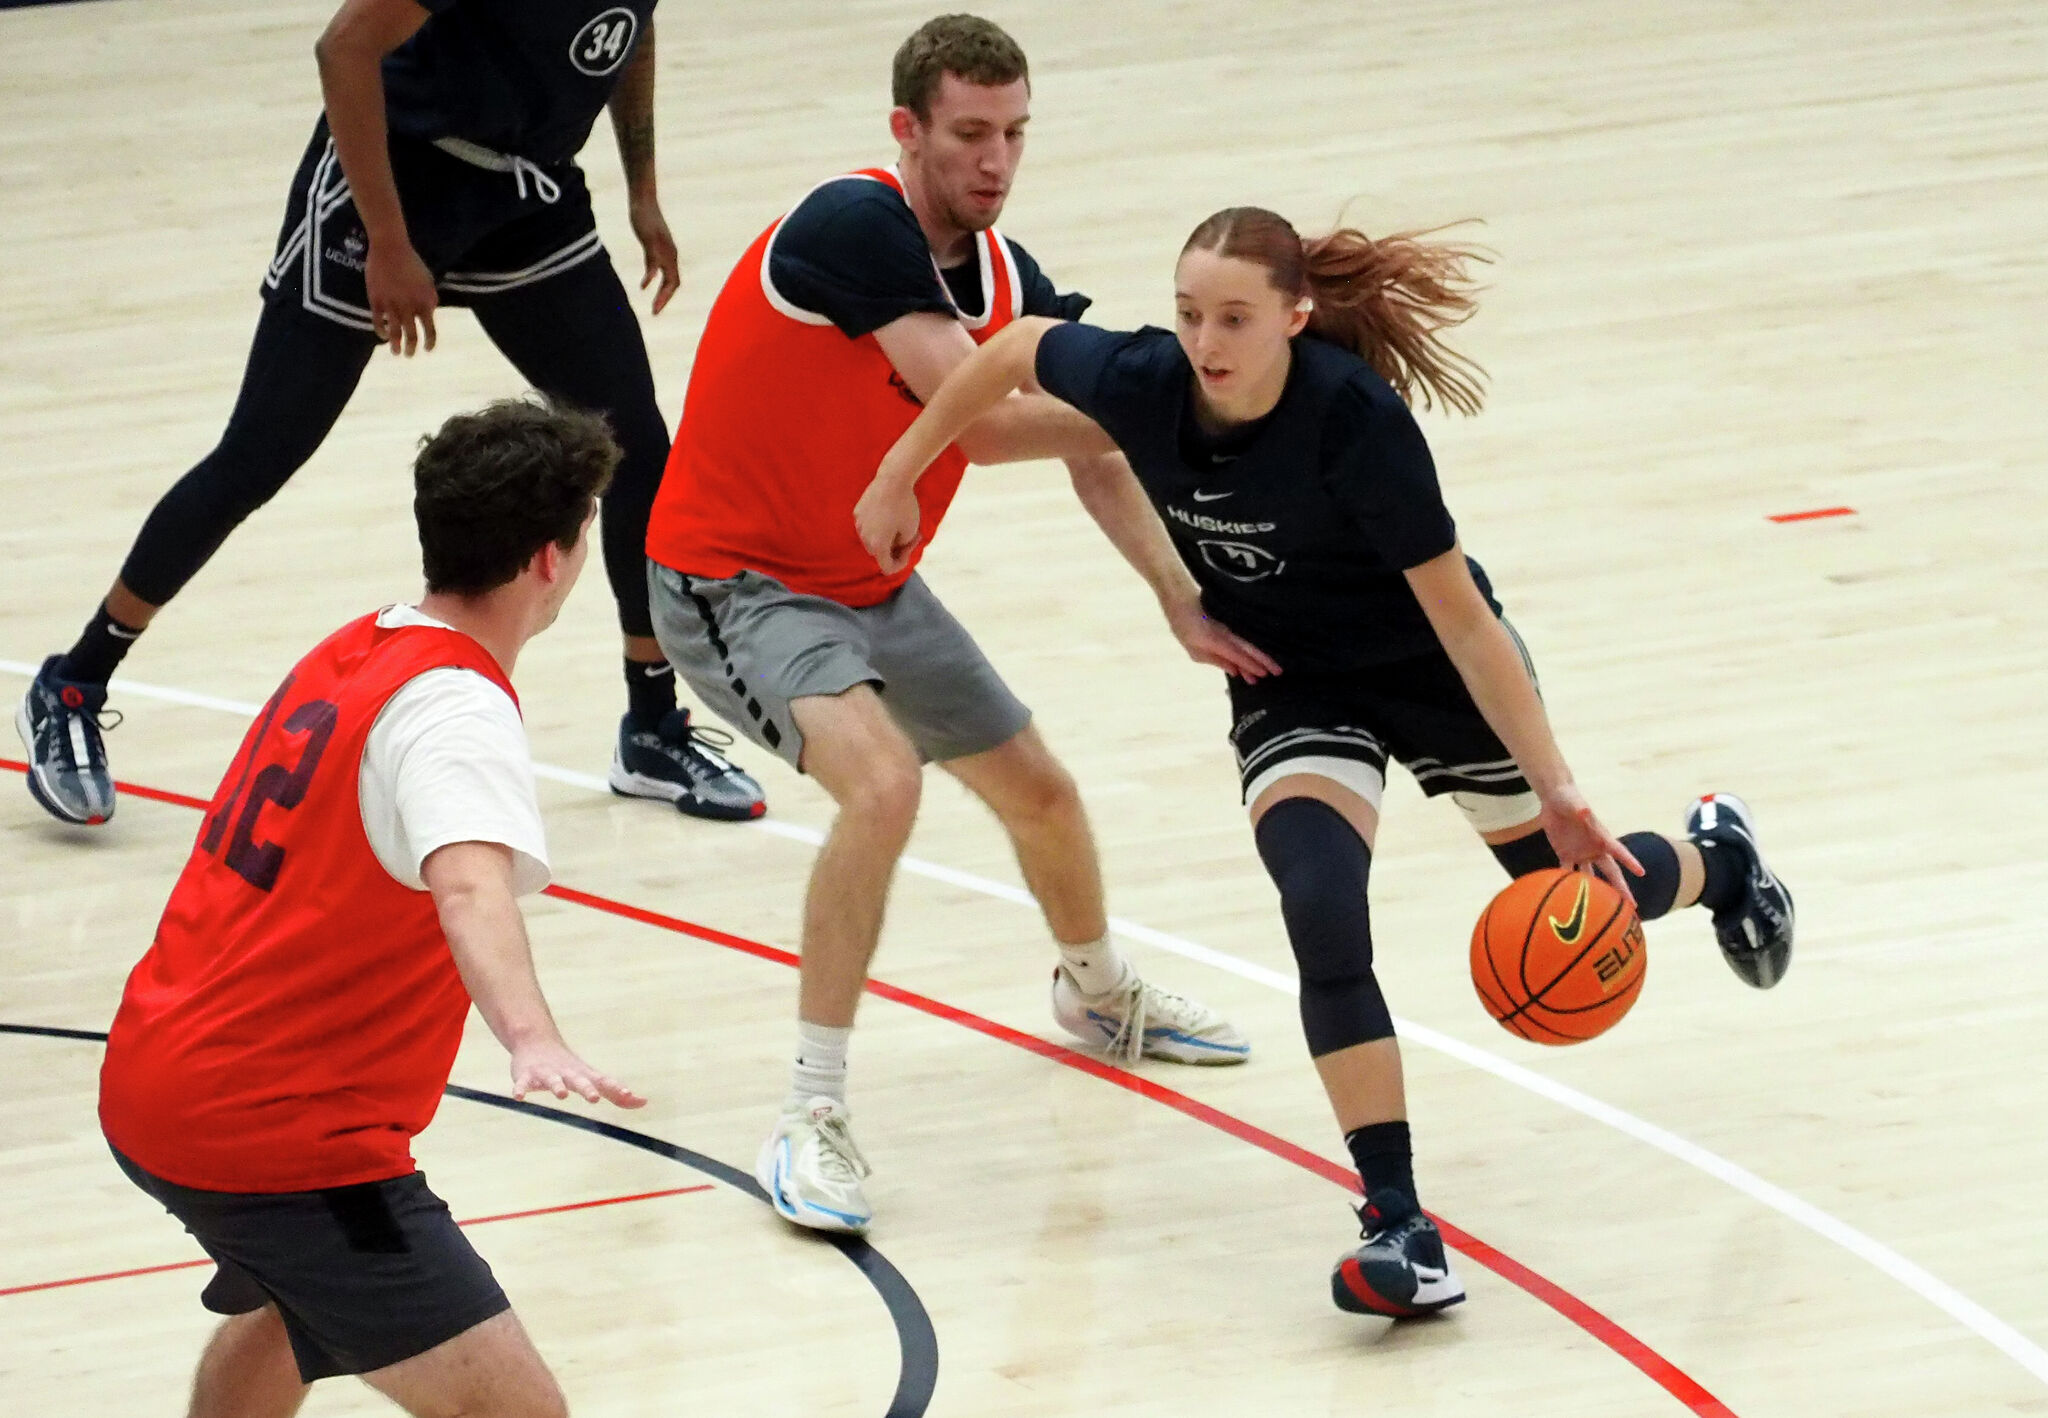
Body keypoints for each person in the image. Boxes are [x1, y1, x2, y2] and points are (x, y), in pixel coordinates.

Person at [862, 205, 1797, 1317]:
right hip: (1293, 678)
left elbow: (1461, 620)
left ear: (1295, 319)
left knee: (1565, 896)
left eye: (1235, 318)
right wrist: (899, 471)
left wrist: (1556, 786)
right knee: (1318, 901)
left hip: (1430, 672)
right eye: (1189, 313)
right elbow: (1013, 350)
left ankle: (1720, 862)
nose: (1205, 340)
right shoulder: (1143, 378)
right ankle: (1398, 1220)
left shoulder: (1354, 423)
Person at [640, 14, 1249, 1236]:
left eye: (1015, 134)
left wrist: (1174, 592)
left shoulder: (1010, 276)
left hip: (868, 579)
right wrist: (1178, 403)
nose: (995, 160)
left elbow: (1092, 458)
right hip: (734, 582)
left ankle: (1096, 992)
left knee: (1041, 791)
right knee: (882, 785)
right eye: (969, 133)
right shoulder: (848, 226)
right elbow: (968, 416)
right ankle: (809, 1111)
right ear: (906, 130)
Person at [15, 0, 762, 829]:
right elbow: (344, 48)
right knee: (260, 452)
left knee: (635, 448)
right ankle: (75, 682)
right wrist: (388, 239)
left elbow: (626, 29)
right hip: (396, 176)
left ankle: (651, 726)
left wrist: (644, 190)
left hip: (523, 189)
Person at [99, 399, 645, 1417]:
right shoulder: (457, 708)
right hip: (278, 1137)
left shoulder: (361, 644)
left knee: (291, 1314)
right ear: (550, 560)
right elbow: (467, 881)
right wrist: (531, 1036)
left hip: (157, 1074)